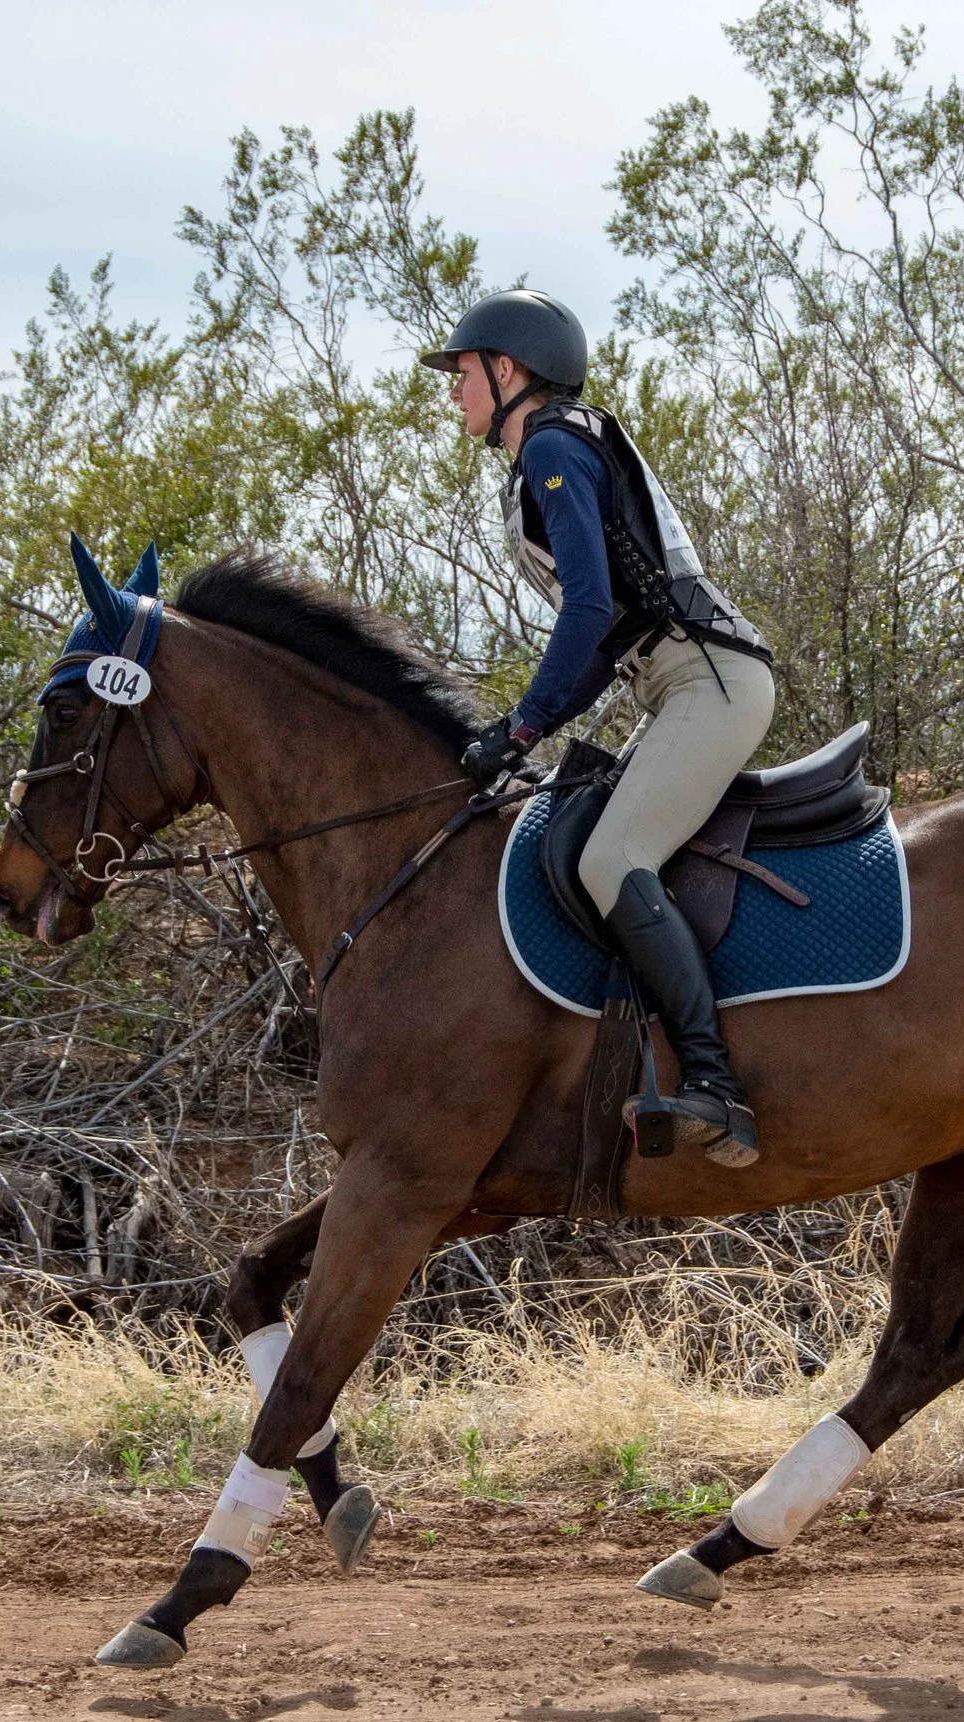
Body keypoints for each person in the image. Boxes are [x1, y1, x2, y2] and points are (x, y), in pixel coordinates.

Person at [422, 289, 777, 1169]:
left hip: (711, 681)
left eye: (463, 372)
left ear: (506, 370)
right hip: (678, 683)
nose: (455, 390)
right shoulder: (559, 447)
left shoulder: (549, 445)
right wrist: (520, 729)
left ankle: (716, 1085)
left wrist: (524, 725)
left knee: (611, 859)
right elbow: (602, 632)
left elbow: (585, 608)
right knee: (581, 831)